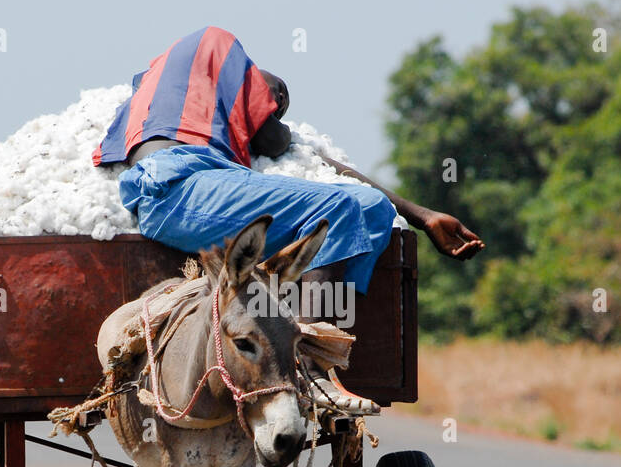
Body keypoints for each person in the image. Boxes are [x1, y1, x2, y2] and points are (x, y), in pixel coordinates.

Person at [93, 26, 484, 412]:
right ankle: (308, 372)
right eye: (278, 98)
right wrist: (272, 116)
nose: (276, 103)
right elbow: (276, 141)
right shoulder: (216, 45)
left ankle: (306, 326)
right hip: (177, 183)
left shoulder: (194, 93)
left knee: (371, 208)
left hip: (214, 180)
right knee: (336, 210)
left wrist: (422, 216)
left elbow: (312, 158)